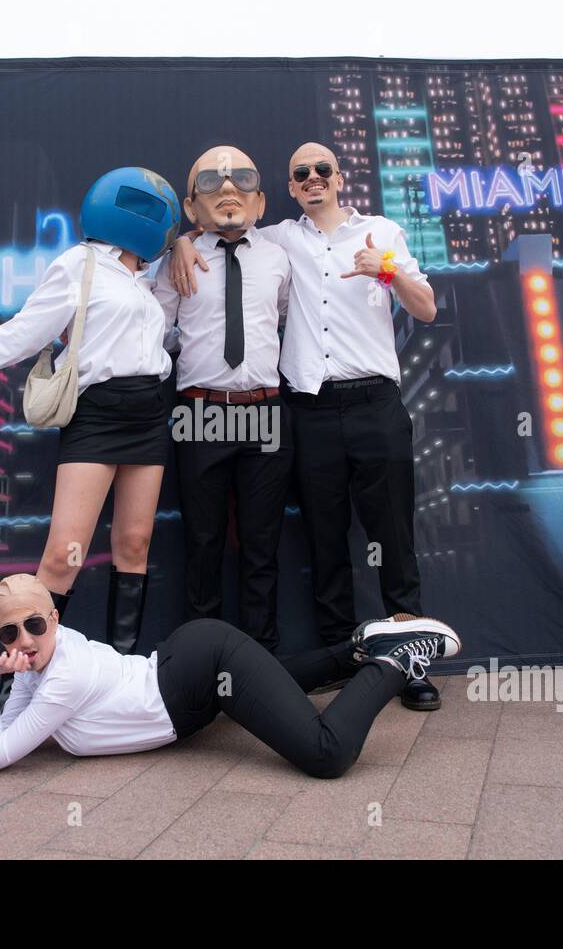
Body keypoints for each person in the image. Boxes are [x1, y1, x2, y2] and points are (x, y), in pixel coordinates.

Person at [169, 142, 443, 710]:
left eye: (323, 169)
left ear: (339, 177)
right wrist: (179, 240)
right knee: (324, 541)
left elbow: (427, 308)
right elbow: (224, 229)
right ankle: (337, 659)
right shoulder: (276, 239)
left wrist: (387, 270)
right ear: (289, 190)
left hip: (374, 401)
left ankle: (410, 662)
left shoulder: (383, 233)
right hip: (307, 409)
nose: (313, 177)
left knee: (392, 535)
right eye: (302, 173)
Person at [0, 167, 180, 655]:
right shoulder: (79, 265)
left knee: (134, 547)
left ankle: (120, 675)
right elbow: (29, 327)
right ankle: (25, 678)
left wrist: (181, 248)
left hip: (149, 413)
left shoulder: (145, 277)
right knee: (66, 555)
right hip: (98, 414)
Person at [0, 573, 460, 785]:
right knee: (270, 689)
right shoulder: (38, 664)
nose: (23, 641)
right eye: (7, 635)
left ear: (55, 620)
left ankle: (399, 657)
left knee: (327, 754)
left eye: (35, 624)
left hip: (198, 669)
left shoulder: (64, 674)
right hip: (192, 688)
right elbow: (2, 735)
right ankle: (361, 646)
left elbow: (1, 755)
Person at [152, 146, 293, 650]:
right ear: (191, 208)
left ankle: (264, 659)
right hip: (198, 410)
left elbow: (279, 318)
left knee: (261, 544)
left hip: (266, 409)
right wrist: (179, 244)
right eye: (211, 182)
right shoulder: (178, 261)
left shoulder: (280, 257)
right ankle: (199, 659)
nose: (228, 189)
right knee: (202, 541)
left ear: (260, 202)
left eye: (242, 180)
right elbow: (157, 329)